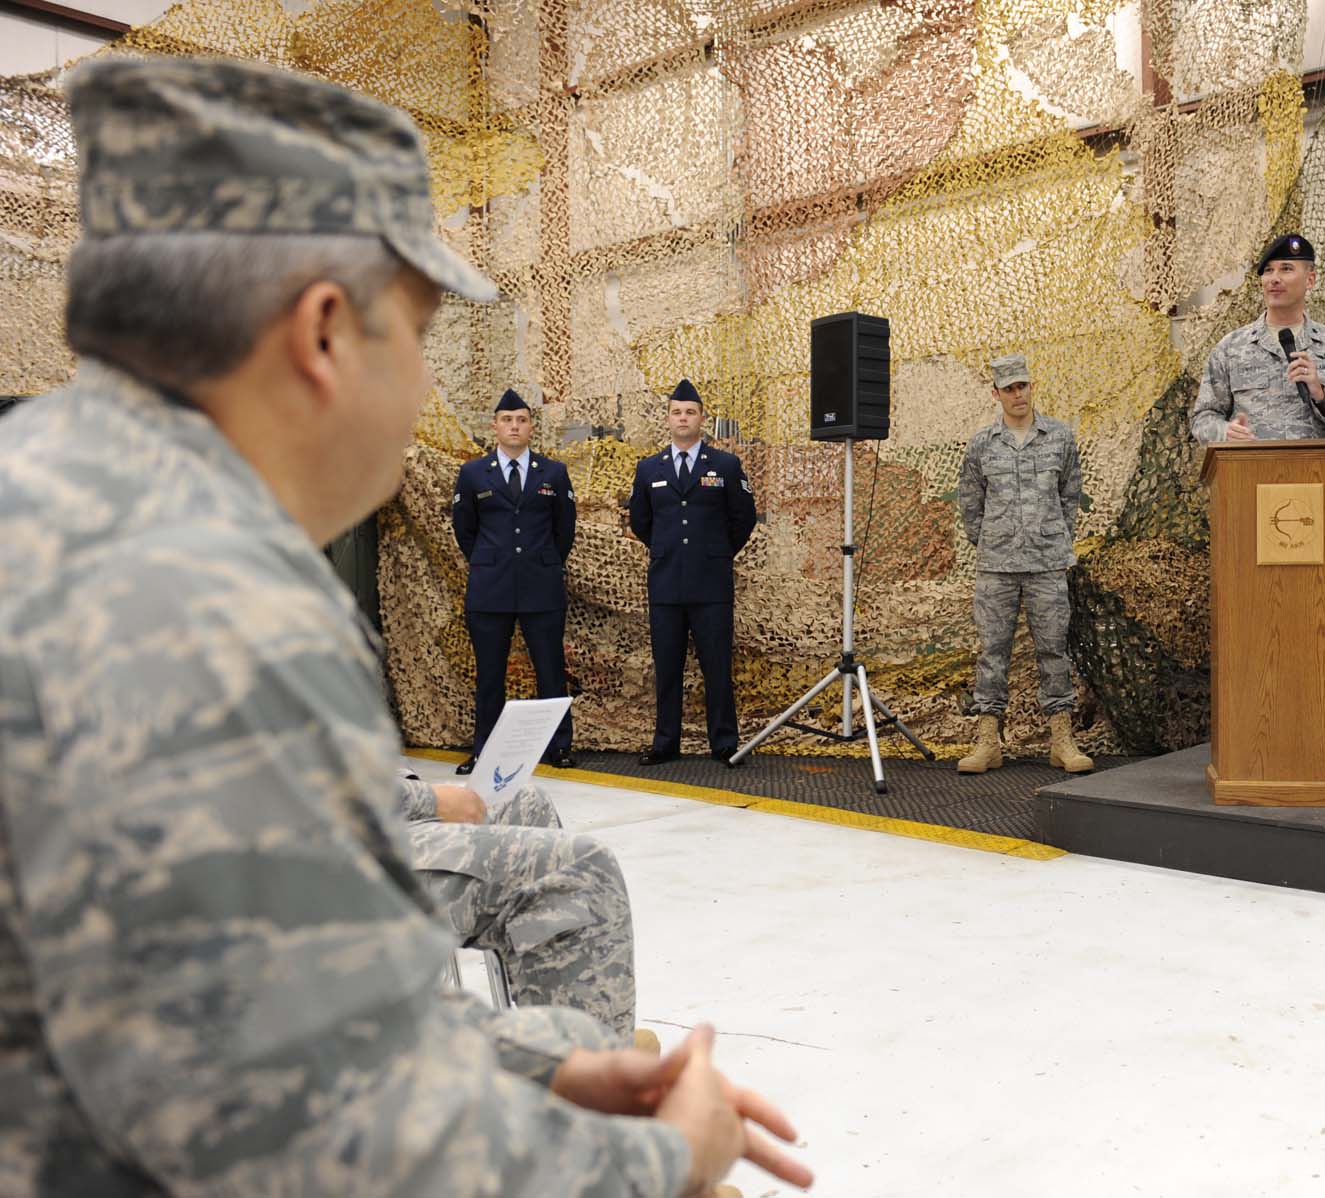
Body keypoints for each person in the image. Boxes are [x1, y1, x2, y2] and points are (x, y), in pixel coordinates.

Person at [0, 56, 809, 1196]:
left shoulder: (63, 492)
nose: (424, 383)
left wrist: (546, 1066)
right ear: (325, 331)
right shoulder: (211, 602)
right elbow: (357, 1146)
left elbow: (272, 1018)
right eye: (418, 335)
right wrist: (667, 1158)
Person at [397, 773, 641, 1041]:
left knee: (529, 800)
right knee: (579, 867)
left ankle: (573, 1028)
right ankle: (593, 1057)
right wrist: (427, 799)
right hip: (367, 855)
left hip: (388, 811)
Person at [955, 354, 1094, 776]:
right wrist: (992, 540)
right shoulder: (982, 444)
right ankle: (988, 741)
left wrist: (1054, 538)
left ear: (1032, 387)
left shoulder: (1059, 437)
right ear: (996, 394)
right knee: (992, 653)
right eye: (1009, 389)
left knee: (1053, 650)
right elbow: (970, 502)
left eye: (1023, 386)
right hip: (996, 566)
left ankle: (1061, 740)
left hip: (1047, 564)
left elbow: (1070, 495)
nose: (1018, 395)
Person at [627, 380, 758, 766]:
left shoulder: (725, 465)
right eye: (676, 412)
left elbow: (744, 518)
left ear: (702, 419)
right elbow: (640, 521)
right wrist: (668, 550)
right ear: (668, 419)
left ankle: (724, 741)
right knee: (667, 668)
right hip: (666, 582)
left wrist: (717, 553)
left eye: (690, 412)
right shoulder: (649, 468)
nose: (683, 418)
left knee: (717, 666)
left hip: (711, 582)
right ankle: (665, 742)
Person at [452, 388, 577, 773]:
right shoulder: (473, 473)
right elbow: (464, 530)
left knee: (551, 672)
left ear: (532, 428)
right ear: (494, 426)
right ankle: (484, 750)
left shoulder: (553, 473)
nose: (514, 426)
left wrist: (543, 563)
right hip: (491, 587)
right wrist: (490, 561)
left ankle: (558, 747)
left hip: (541, 586)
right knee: (490, 675)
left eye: (521, 420)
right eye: (507, 420)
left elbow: (564, 530)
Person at [1190, 233, 1325, 443]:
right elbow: (1202, 420)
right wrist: (1225, 432)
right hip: (1251, 464)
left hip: (1317, 464)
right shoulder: (1231, 347)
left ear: (1310, 280)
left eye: (1286, 269)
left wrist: (1322, 395)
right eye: (1268, 270)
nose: (1274, 279)